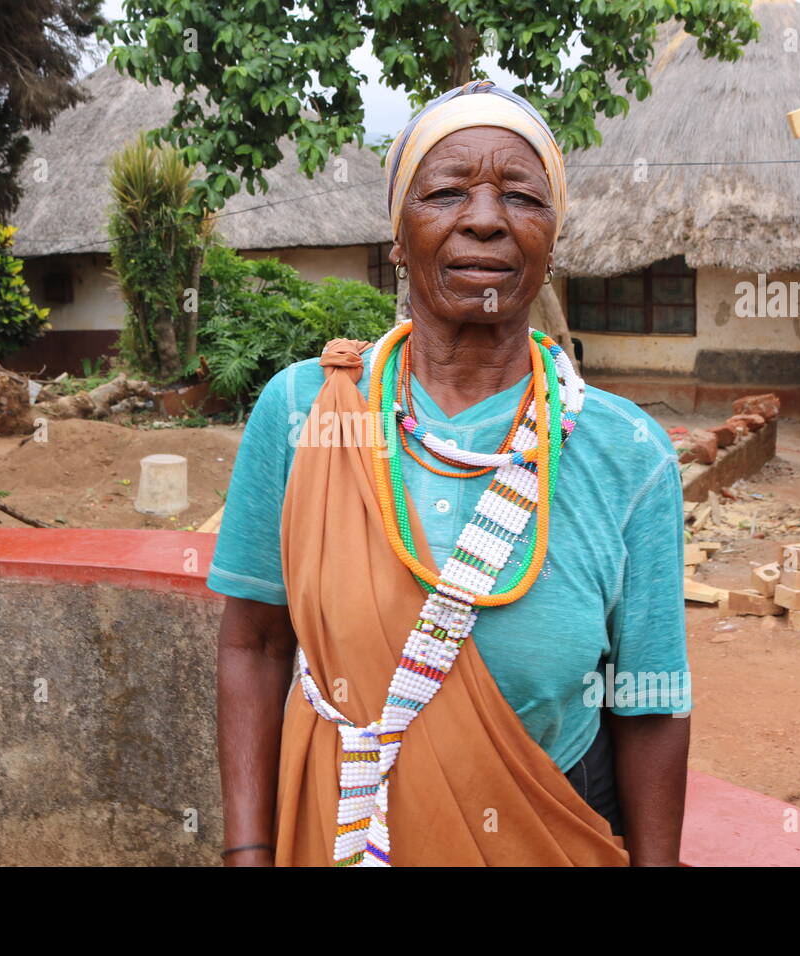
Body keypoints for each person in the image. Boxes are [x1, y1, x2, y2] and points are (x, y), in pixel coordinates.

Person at [209, 80, 690, 867]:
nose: (486, 218)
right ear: (399, 235)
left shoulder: (627, 450)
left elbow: (651, 700)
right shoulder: (305, 410)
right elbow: (255, 647)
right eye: (445, 192)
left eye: (522, 198)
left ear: (551, 237)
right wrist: (249, 852)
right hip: (331, 828)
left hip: (544, 829)